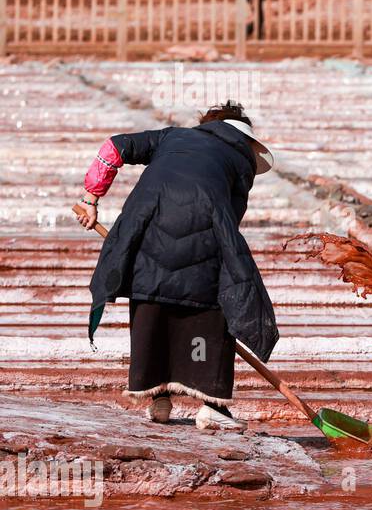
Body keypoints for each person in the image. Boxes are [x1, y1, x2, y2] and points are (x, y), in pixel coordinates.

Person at [76, 101, 279, 430]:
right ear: (246, 138)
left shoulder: (171, 137)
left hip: (146, 222)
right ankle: (213, 407)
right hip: (204, 225)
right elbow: (232, 214)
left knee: (153, 293)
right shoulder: (240, 158)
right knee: (214, 301)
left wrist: (90, 199)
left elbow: (114, 146)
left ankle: (159, 399)